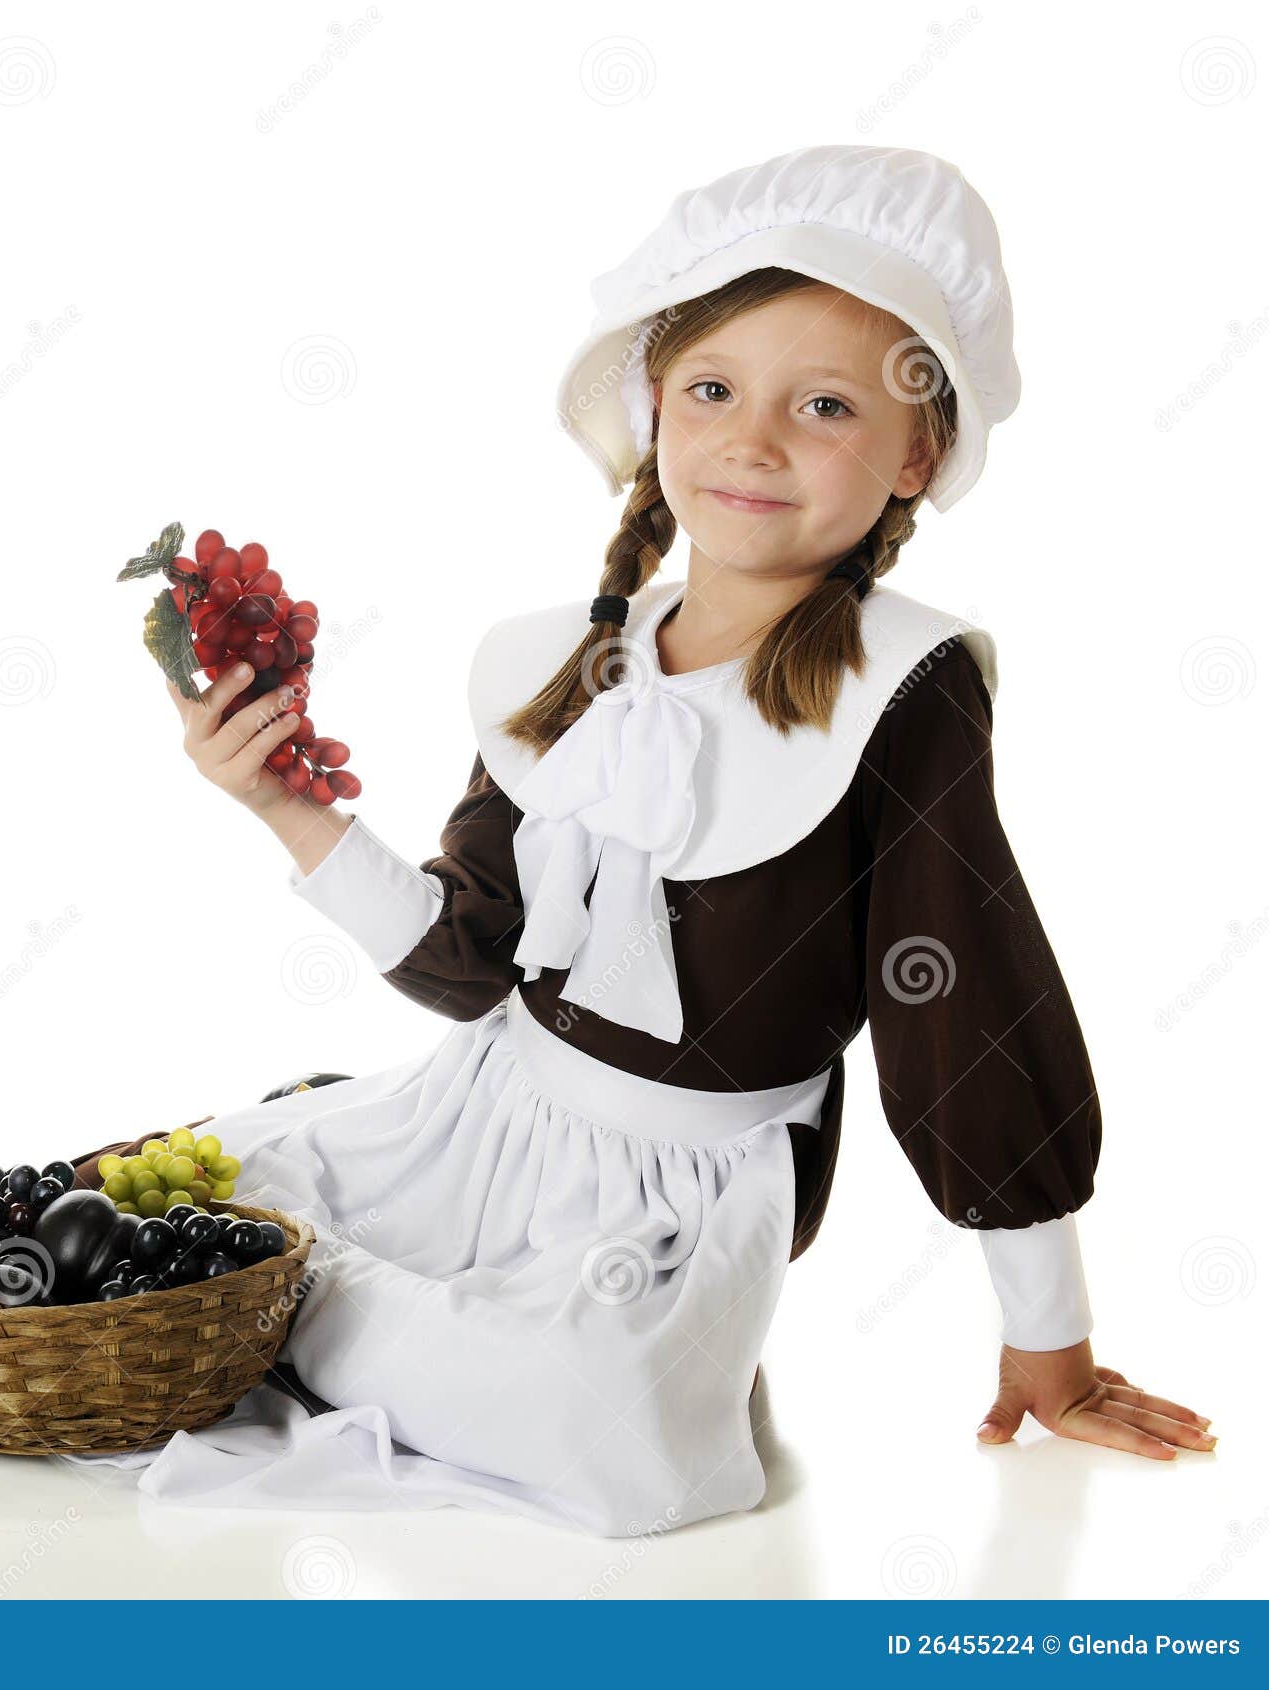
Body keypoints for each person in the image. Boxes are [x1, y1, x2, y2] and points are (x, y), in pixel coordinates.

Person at [69, 144, 1213, 1535]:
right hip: (476, 1117)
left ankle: (310, 1305)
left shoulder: (905, 690)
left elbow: (960, 999)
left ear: (919, 448)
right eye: (715, 388)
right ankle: (311, 1265)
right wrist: (284, 804)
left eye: (828, 405)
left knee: (598, 1439)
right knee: (148, 1210)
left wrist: (1051, 1331)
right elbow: (471, 968)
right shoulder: (566, 661)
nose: (753, 439)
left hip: (686, 1198)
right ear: (655, 401)